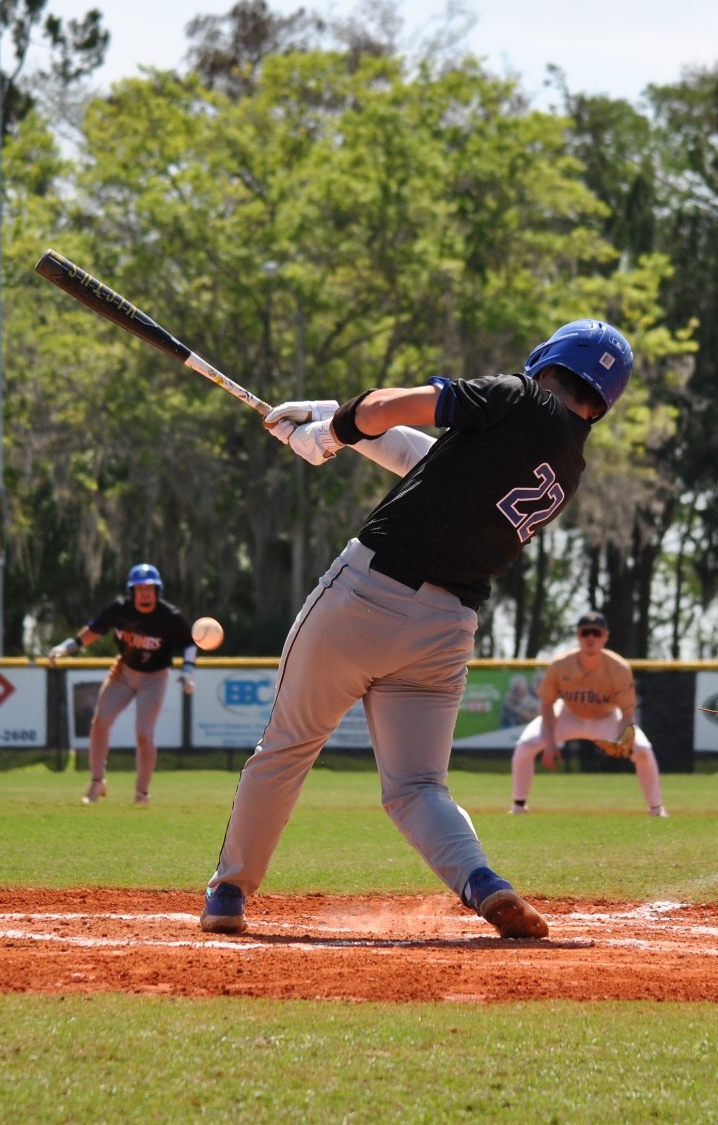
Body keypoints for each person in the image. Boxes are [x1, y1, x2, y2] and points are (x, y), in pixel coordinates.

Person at [198, 319, 634, 939]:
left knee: (287, 749)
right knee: (417, 785)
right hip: (446, 629)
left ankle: (229, 894)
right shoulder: (566, 461)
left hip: (363, 599)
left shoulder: (518, 397)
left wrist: (333, 431)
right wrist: (327, 419)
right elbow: (427, 460)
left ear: (551, 358)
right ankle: (485, 883)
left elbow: (387, 407)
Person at [49, 563, 198, 806]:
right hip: (123, 672)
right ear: (132, 591)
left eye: (150, 588)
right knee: (100, 722)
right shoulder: (120, 609)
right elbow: (94, 629)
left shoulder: (169, 616)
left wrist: (189, 671)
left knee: (144, 733)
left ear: (157, 590)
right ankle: (97, 782)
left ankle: (142, 793)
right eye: (140, 589)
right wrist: (67, 646)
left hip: (155, 677)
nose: (145, 593)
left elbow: (190, 643)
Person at [509, 610, 667, 817]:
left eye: (596, 632)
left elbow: (628, 713)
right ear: (578, 636)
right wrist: (549, 742)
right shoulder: (560, 664)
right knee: (525, 745)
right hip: (567, 715)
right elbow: (547, 705)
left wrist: (623, 739)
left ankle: (656, 808)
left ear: (605, 636)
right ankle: (519, 806)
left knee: (643, 750)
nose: (591, 637)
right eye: (586, 633)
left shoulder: (619, 667)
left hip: (608, 718)